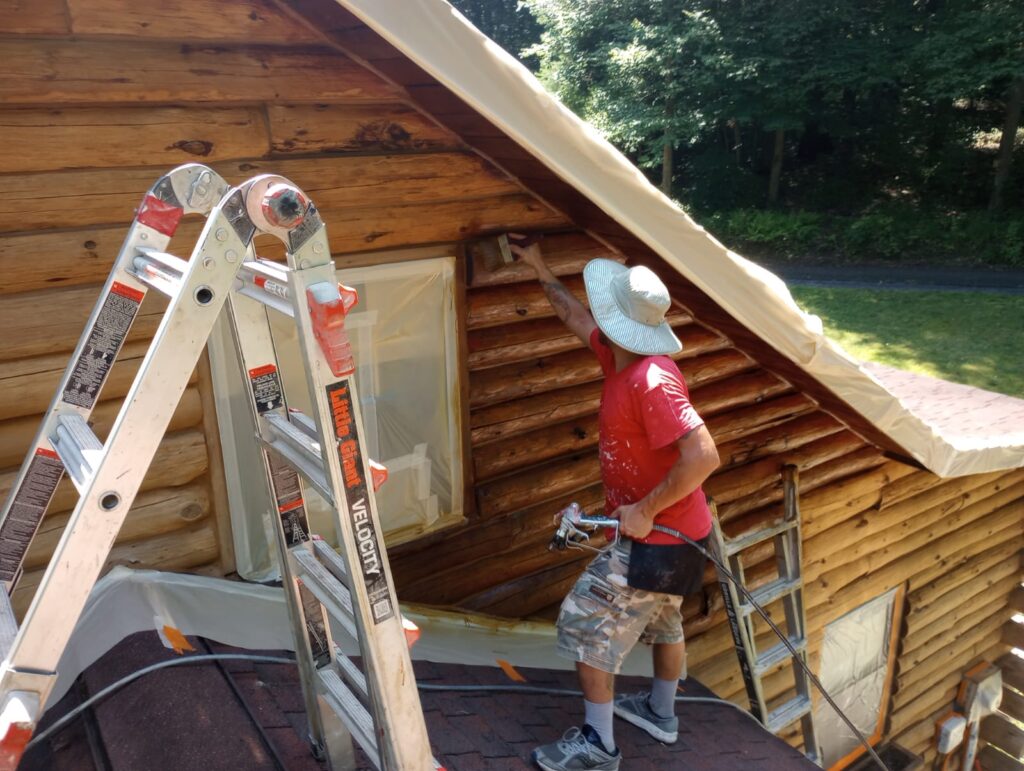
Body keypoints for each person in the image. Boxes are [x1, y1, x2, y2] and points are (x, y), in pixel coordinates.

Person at [508, 237, 720, 771]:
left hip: (659, 539)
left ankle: (598, 746)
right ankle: (660, 713)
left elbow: (703, 455)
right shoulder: (621, 357)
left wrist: (646, 508)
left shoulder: (650, 379)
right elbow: (574, 318)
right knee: (666, 618)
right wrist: (539, 265)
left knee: (584, 626)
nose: (592, 319)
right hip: (686, 534)